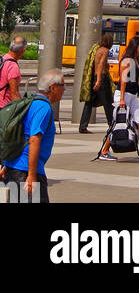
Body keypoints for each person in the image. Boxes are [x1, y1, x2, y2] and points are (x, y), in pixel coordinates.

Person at [0, 67, 65, 202]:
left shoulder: (30, 103)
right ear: (53, 87)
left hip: (14, 167)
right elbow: (34, 139)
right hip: (25, 172)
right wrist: (31, 175)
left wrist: (7, 162)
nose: (64, 89)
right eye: (62, 85)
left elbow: (17, 135)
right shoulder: (43, 108)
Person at [98, 38, 139, 160]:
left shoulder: (134, 60)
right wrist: (122, 99)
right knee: (118, 123)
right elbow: (123, 80)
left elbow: (132, 79)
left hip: (132, 95)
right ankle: (104, 151)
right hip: (124, 95)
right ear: (135, 47)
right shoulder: (127, 60)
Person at [78, 31, 114, 132]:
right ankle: (112, 124)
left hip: (93, 77)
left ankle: (83, 126)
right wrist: (98, 80)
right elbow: (100, 65)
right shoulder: (105, 50)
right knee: (107, 103)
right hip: (101, 79)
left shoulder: (96, 49)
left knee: (88, 103)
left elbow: (95, 64)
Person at [0, 35, 26, 109]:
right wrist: (22, 109)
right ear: (23, 50)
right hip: (4, 108)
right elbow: (14, 94)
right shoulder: (12, 66)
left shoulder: (2, 58)